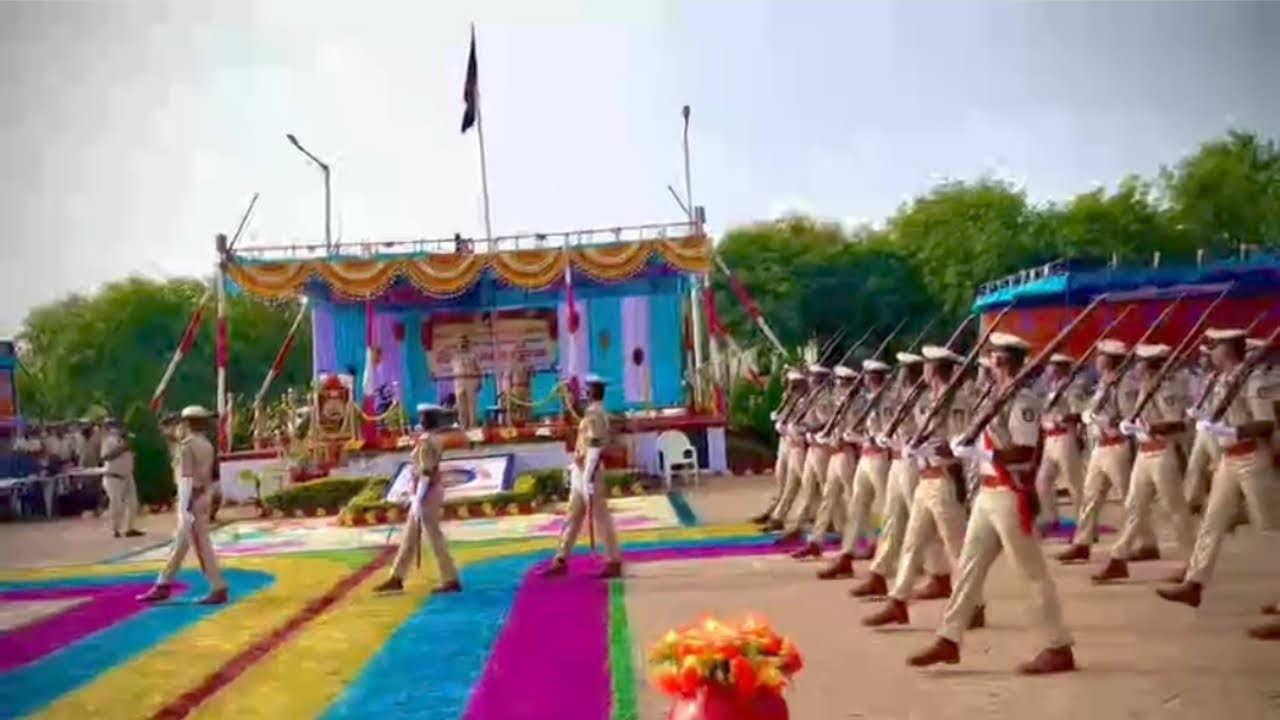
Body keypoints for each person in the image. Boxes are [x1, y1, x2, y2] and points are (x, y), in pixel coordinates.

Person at [908, 332, 1076, 675]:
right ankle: (949, 638)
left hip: (1009, 494)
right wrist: (955, 449)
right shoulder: (997, 395)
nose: (989, 365)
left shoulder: (1023, 401)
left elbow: (1024, 452)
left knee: (1032, 575)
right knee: (968, 567)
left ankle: (1057, 645)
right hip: (987, 493)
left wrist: (982, 452)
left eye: (995, 358)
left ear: (1008, 361)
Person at [863, 344, 986, 628]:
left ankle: (975, 605)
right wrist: (911, 446)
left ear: (935, 370)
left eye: (928, 367)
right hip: (925, 480)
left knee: (956, 549)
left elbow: (956, 446)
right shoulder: (930, 400)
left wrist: (924, 450)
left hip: (944, 480)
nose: (924, 371)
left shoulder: (955, 404)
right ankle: (898, 601)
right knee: (911, 542)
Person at [1157, 328, 1277, 616]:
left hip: (1251, 457)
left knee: (1272, 528)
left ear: (1228, 350)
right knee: (1212, 522)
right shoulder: (1222, 380)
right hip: (1228, 460)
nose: (1210, 352)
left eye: (1216, 346)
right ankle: (1194, 583)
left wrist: (1231, 430)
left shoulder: (1254, 381)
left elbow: (1266, 423)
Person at [1092, 344, 1195, 584]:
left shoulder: (1164, 388)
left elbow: (1175, 423)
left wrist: (1146, 427)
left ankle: (1192, 561)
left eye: (1139, 361)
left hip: (1161, 452)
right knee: (1133, 507)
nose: (1134, 365)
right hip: (1144, 452)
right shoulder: (1146, 386)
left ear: (1148, 364)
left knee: (1175, 510)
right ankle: (1118, 559)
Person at [850, 352, 950, 598]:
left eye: (905, 370)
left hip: (913, 463)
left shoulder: (924, 399)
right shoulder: (905, 397)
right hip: (897, 462)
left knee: (923, 525)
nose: (899, 374)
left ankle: (939, 574)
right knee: (892, 519)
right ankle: (879, 573)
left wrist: (895, 440)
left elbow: (923, 431)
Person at [1057, 338, 1158, 564]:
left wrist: (1102, 419)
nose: (1097, 359)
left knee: (1130, 498)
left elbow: (1128, 415)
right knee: (1090, 497)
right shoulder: (1105, 382)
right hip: (1100, 446)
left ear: (1110, 359)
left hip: (1116, 445)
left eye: (1101, 355)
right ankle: (1082, 543)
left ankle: (1147, 542)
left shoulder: (1123, 385)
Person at [137, 406, 229, 605]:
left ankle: (218, 586)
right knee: (180, 544)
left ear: (187, 423)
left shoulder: (187, 445)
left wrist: (184, 507)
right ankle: (163, 584)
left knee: (201, 545)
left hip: (192, 498)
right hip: (203, 494)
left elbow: (186, 478)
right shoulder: (206, 444)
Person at [374, 404, 462, 594]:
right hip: (428, 490)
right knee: (410, 536)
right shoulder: (435, 439)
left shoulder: (426, 441)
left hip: (426, 492)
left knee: (433, 535)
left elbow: (426, 471)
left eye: (423, 418)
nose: (421, 421)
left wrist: (417, 496)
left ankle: (450, 577)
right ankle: (397, 576)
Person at [816, 359, 892, 578]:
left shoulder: (883, 402)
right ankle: (845, 556)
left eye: (868, 375)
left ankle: (888, 553)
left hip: (878, 458)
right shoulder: (864, 401)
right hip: (866, 458)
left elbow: (886, 433)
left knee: (889, 510)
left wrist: (861, 437)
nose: (865, 379)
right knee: (857, 506)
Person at [541, 375, 623, 578]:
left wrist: (587, 477)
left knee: (600, 517)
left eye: (588, 390)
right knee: (573, 516)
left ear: (594, 392)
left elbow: (595, 447)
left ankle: (613, 560)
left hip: (590, 471)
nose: (585, 393)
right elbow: (577, 413)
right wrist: (569, 396)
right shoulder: (592, 412)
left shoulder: (596, 415)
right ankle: (561, 558)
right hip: (581, 470)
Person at [791, 364, 862, 559]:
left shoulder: (851, 404)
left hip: (843, 453)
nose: (838, 386)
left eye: (842, 383)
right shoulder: (836, 401)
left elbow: (846, 427)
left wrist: (820, 433)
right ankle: (816, 541)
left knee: (853, 500)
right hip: (833, 452)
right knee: (828, 499)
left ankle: (869, 541)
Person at [1035, 353, 1087, 529]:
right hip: (1050, 438)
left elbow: (1079, 413)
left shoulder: (1072, 388)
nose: (1050, 369)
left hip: (1064, 435)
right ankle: (1050, 518)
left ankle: (1085, 522)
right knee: (1043, 481)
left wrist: (1064, 417)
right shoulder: (1050, 388)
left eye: (1054, 365)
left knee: (1074, 483)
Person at [752, 368, 807, 525]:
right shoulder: (787, 397)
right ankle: (775, 512)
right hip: (785, 442)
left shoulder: (805, 401)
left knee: (804, 485)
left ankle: (780, 516)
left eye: (793, 384)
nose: (789, 387)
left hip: (797, 445)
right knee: (781, 479)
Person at [100, 418, 143, 539]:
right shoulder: (109, 441)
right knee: (116, 504)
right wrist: (122, 448)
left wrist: (128, 444)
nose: (118, 428)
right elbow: (105, 457)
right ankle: (115, 529)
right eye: (114, 426)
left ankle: (130, 528)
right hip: (113, 477)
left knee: (133, 503)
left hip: (127, 476)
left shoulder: (127, 439)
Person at [452, 336, 482, 428]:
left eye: (464, 343)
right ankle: (463, 426)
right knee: (461, 406)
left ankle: (473, 426)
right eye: (461, 343)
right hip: (459, 381)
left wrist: (479, 382)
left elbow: (479, 369)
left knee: (471, 406)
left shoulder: (473, 355)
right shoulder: (454, 356)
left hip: (470, 380)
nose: (462, 345)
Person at [505, 345, 535, 425]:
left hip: (526, 387)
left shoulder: (528, 363)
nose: (520, 354)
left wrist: (531, 367)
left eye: (522, 352)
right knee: (517, 407)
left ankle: (526, 423)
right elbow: (507, 377)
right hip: (516, 387)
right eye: (518, 352)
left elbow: (533, 375)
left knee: (526, 406)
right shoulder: (511, 364)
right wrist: (508, 390)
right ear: (515, 353)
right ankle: (516, 423)